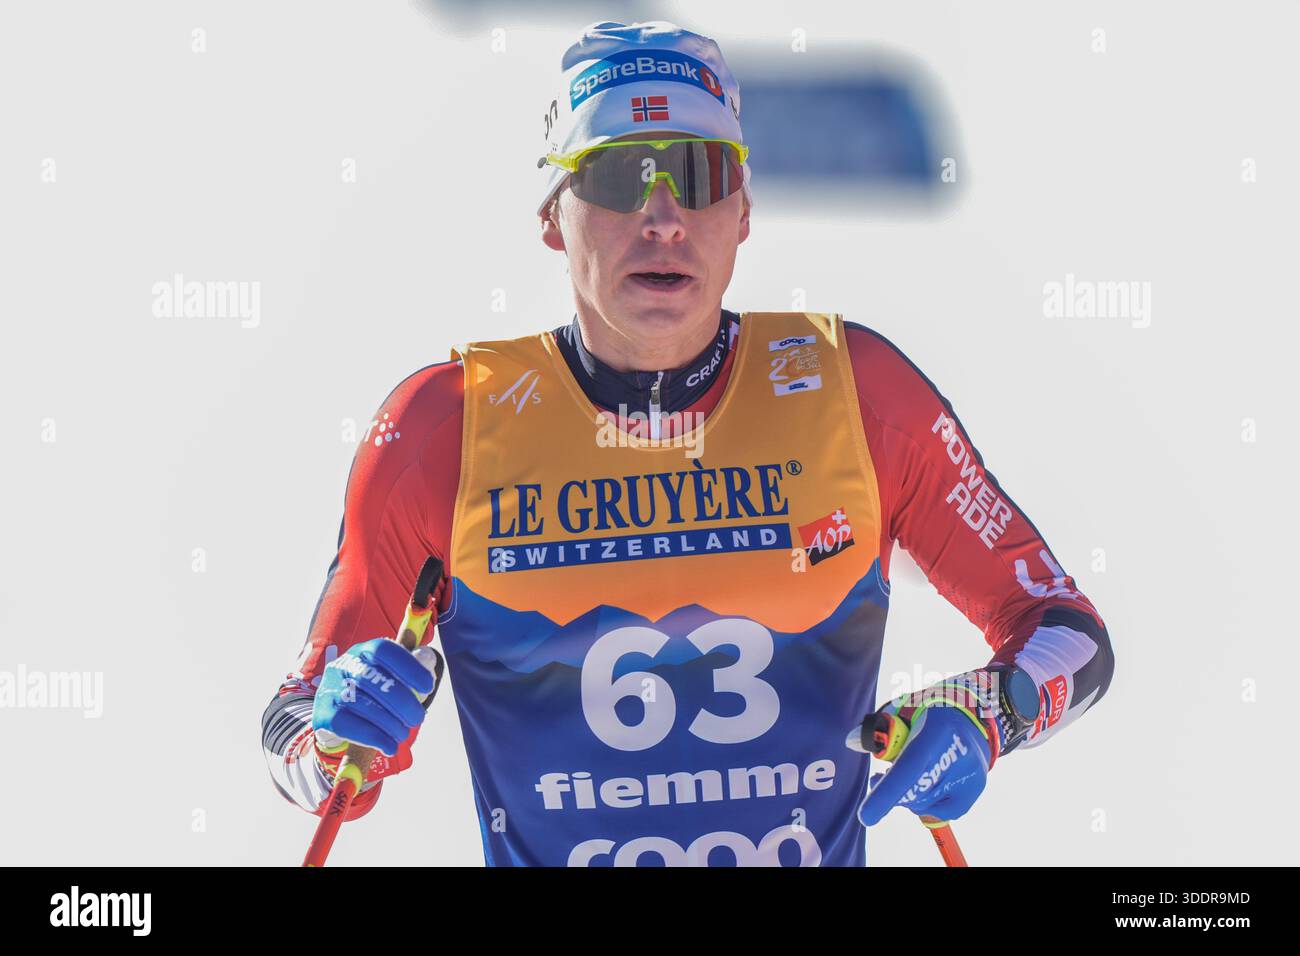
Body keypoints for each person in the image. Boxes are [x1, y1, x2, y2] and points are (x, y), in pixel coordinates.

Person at [262, 20, 1114, 866]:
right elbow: (297, 725)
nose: (663, 216)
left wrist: (984, 710)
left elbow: (1068, 631)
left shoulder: (856, 393)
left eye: (698, 174)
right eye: (617, 173)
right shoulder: (445, 429)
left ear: (742, 212)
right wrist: (333, 736)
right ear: (554, 217)